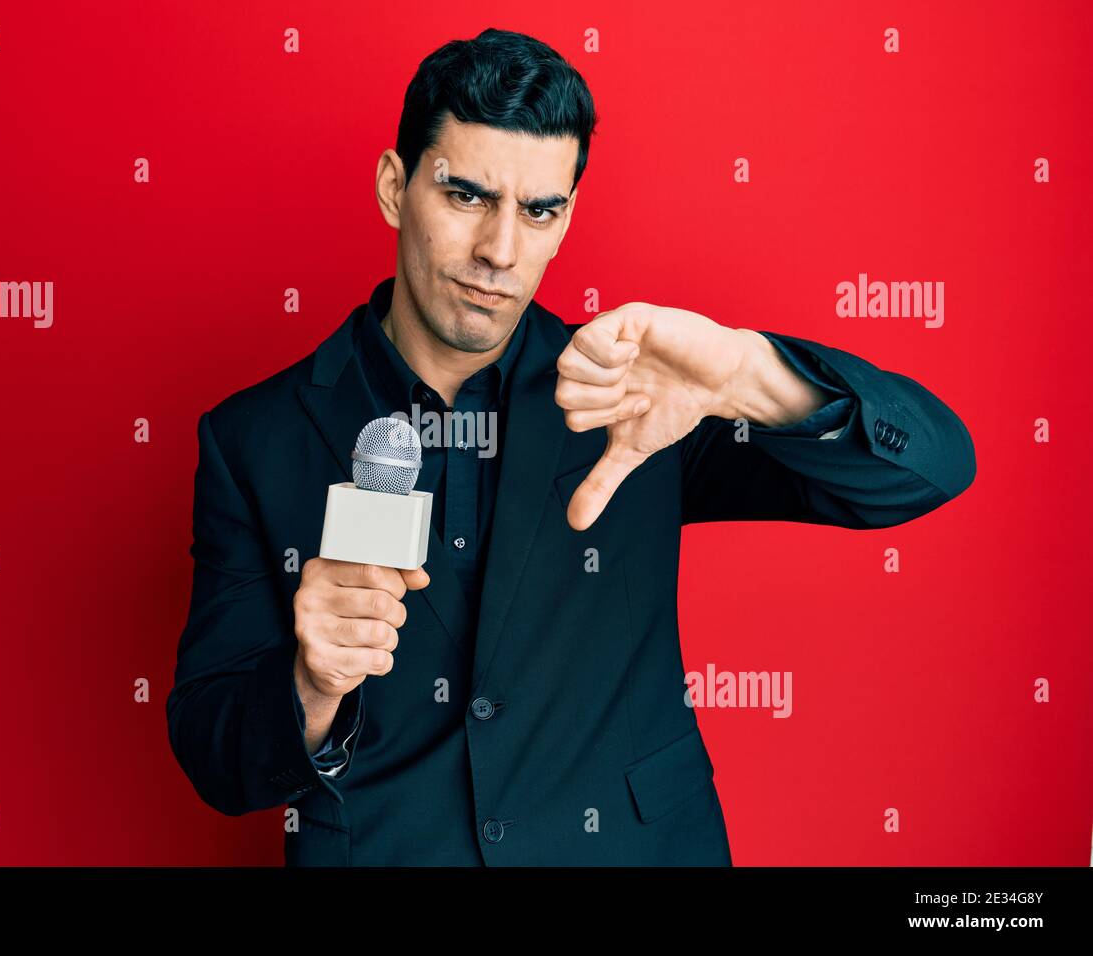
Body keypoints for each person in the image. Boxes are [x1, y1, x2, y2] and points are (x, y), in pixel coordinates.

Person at [165, 28, 975, 866]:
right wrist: (311, 684)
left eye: (539, 210)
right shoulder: (252, 438)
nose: (500, 252)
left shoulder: (636, 393)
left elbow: (932, 470)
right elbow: (214, 758)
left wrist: (745, 372)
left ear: (565, 220)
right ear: (394, 187)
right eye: (468, 196)